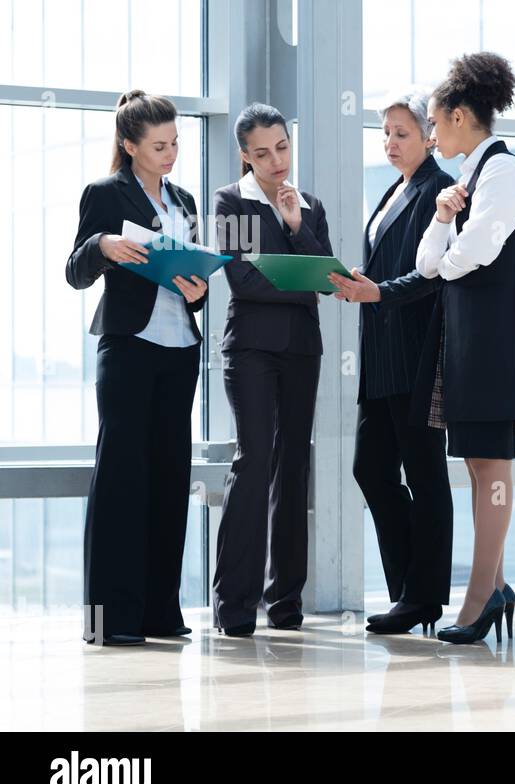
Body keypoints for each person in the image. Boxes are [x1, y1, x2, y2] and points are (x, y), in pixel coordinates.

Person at [65, 90, 208, 646]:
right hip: (128, 348)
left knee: (170, 476)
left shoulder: (186, 201)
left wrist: (197, 292)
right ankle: (111, 621)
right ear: (129, 146)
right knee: (121, 478)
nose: (170, 153)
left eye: (175, 142)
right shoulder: (106, 194)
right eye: (158, 145)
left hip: (179, 349)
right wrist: (103, 245)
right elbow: (76, 271)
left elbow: (191, 284)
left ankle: (158, 613)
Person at [325, 89, 456, 634]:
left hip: (417, 356)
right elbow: (388, 265)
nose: (390, 143)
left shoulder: (441, 192)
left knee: (425, 475)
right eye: (385, 134)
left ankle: (422, 595)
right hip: (381, 358)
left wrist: (376, 292)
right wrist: (359, 283)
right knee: (371, 470)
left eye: (402, 133)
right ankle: (407, 589)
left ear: (430, 135)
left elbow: (435, 273)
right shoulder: (392, 191)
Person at [418, 51, 515, 644]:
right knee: (477, 465)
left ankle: (480, 596)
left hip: (493, 343)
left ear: (462, 116)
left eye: (435, 123)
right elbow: (429, 261)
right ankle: (497, 585)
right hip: (468, 342)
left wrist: (446, 253)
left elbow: (477, 253)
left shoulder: (505, 172)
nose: (431, 133)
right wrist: (441, 222)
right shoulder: (468, 178)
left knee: (491, 465)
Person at [209, 103, 331, 637]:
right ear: (244, 155)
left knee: (293, 469)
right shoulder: (230, 202)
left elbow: (327, 280)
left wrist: (296, 227)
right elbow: (243, 283)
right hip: (251, 351)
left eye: (281, 147)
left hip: (302, 350)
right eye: (262, 153)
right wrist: (303, 281)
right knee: (254, 461)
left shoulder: (310, 205)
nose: (276, 160)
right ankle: (234, 606)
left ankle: (285, 602)